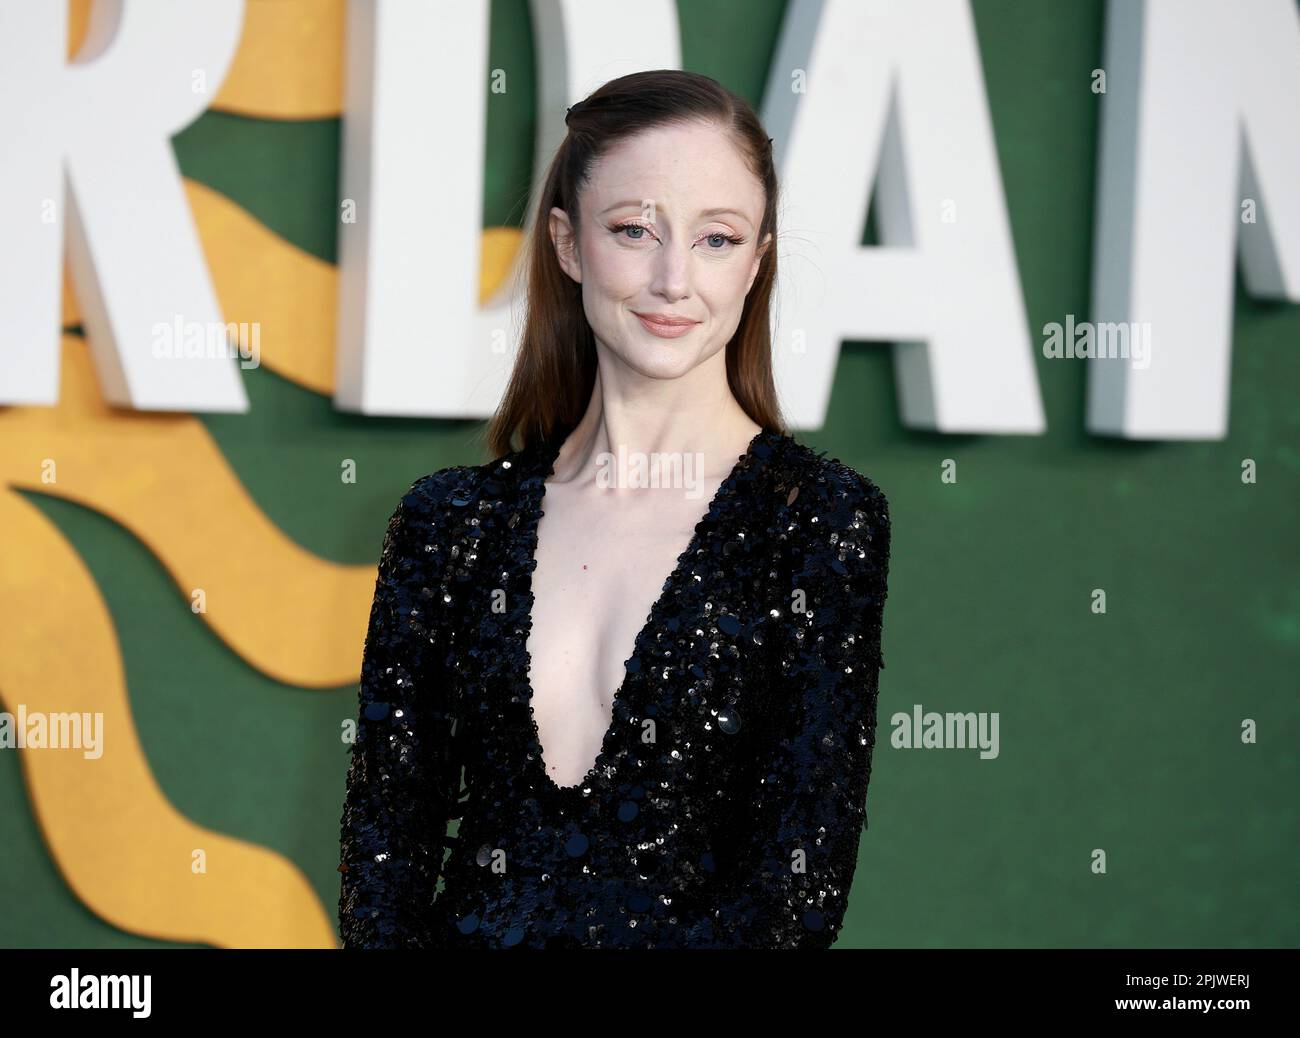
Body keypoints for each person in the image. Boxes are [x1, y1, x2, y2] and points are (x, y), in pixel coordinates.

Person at [338, 68, 891, 949]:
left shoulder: (818, 523)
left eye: (717, 239)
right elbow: (381, 874)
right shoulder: (448, 527)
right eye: (634, 230)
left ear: (758, 259)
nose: (674, 280)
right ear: (567, 243)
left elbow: (793, 898)